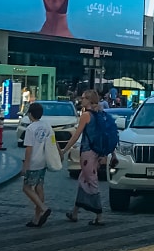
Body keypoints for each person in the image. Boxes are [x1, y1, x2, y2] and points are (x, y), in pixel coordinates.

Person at [62, 89, 107, 225]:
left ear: (89, 100)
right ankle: (74, 212)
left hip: (87, 152)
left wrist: (64, 150)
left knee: (91, 181)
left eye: (83, 98)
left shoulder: (86, 115)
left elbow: (76, 135)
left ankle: (99, 215)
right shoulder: (99, 113)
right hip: (95, 152)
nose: (81, 100)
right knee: (83, 180)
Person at [22, 103, 53, 227]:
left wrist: (26, 165)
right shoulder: (46, 125)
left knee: (27, 188)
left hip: (33, 162)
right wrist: (60, 153)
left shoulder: (30, 128)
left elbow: (29, 148)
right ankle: (36, 218)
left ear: (30, 114)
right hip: (43, 160)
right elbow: (52, 141)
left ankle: (43, 208)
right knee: (39, 187)